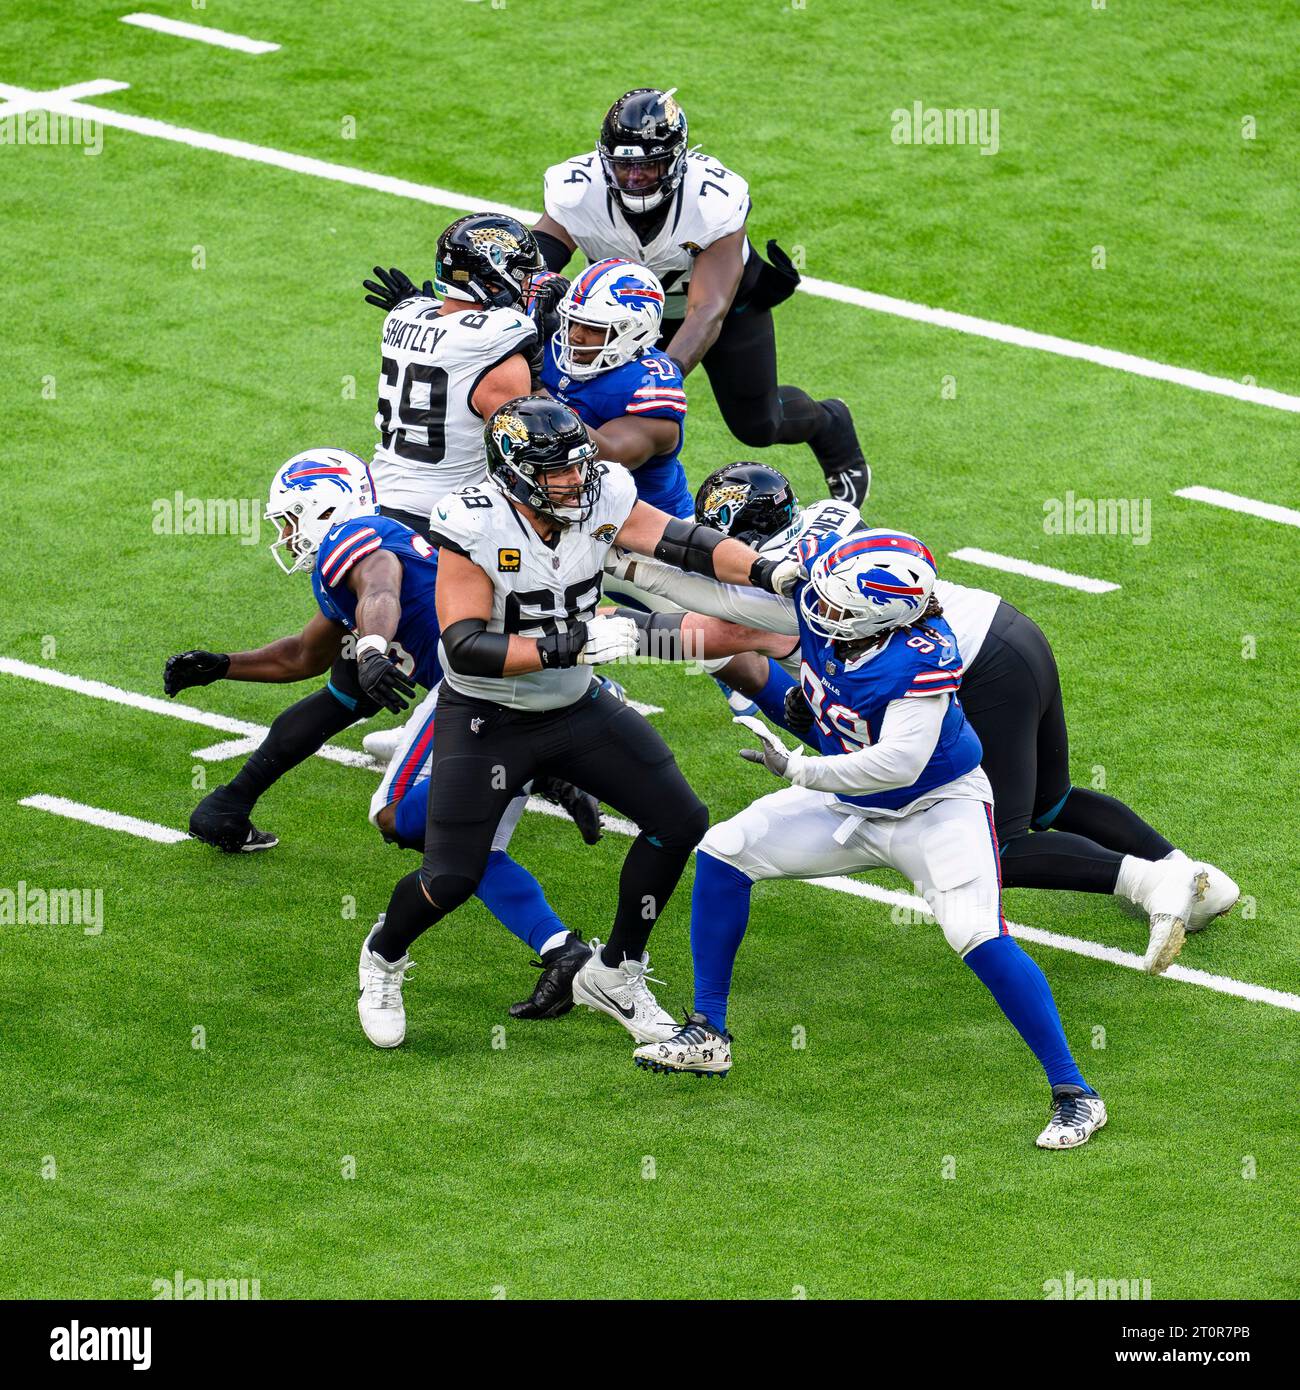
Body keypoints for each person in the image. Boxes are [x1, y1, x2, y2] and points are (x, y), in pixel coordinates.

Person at [607, 462, 1239, 973]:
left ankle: (1151, 883)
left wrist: (615, 565)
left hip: (976, 669)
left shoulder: (787, 585)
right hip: (1008, 630)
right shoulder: (824, 524)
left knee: (996, 844)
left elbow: (703, 602)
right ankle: (1194, 877)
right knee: (1050, 800)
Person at [632, 529, 1109, 1151]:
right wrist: (632, 566)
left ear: (885, 617)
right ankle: (708, 1033)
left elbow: (897, 765)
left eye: (839, 608)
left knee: (977, 935)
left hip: (936, 809)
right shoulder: (826, 604)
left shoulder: (922, 657)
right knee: (725, 849)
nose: (821, 614)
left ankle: (1076, 1092)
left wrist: (800, 770)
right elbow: (718, 602)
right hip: (848, 800)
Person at [356, 395, 802, 1050]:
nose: (577, 480)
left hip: (572, 702)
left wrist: (765, 568)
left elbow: (684, 542)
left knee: (679, 821)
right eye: (559, 471)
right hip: (489, 714)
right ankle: (383, 956)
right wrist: (571, 642)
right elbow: (465, 646)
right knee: (451, 875)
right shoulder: (475, 523)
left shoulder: (600, 493)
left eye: (579, 465)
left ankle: (617, 973)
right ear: (513, 472)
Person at [163, 449, 579, 984]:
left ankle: (536, 774)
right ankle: (569, 951)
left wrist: (375, 645)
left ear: (322, 507)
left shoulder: (355, 538)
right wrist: (223, 666)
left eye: (291, 519)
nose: (287, 536)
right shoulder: (365, 554)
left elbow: (381, 582)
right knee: (352, 698)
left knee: (398, 813)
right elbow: (302, 656)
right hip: (522, 675)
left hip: (485, 686)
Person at [533, 87, 870, 507]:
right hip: (621, 316)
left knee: (758, 424)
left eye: (650, 166)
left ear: (675, 161)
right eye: (623, 167)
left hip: (722, 309)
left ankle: (829, 423)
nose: (634, 178)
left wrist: (663, 374)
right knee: (592, 397)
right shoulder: (577, 190)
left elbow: (707, 308)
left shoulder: (711, 200)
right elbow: (536, 262)